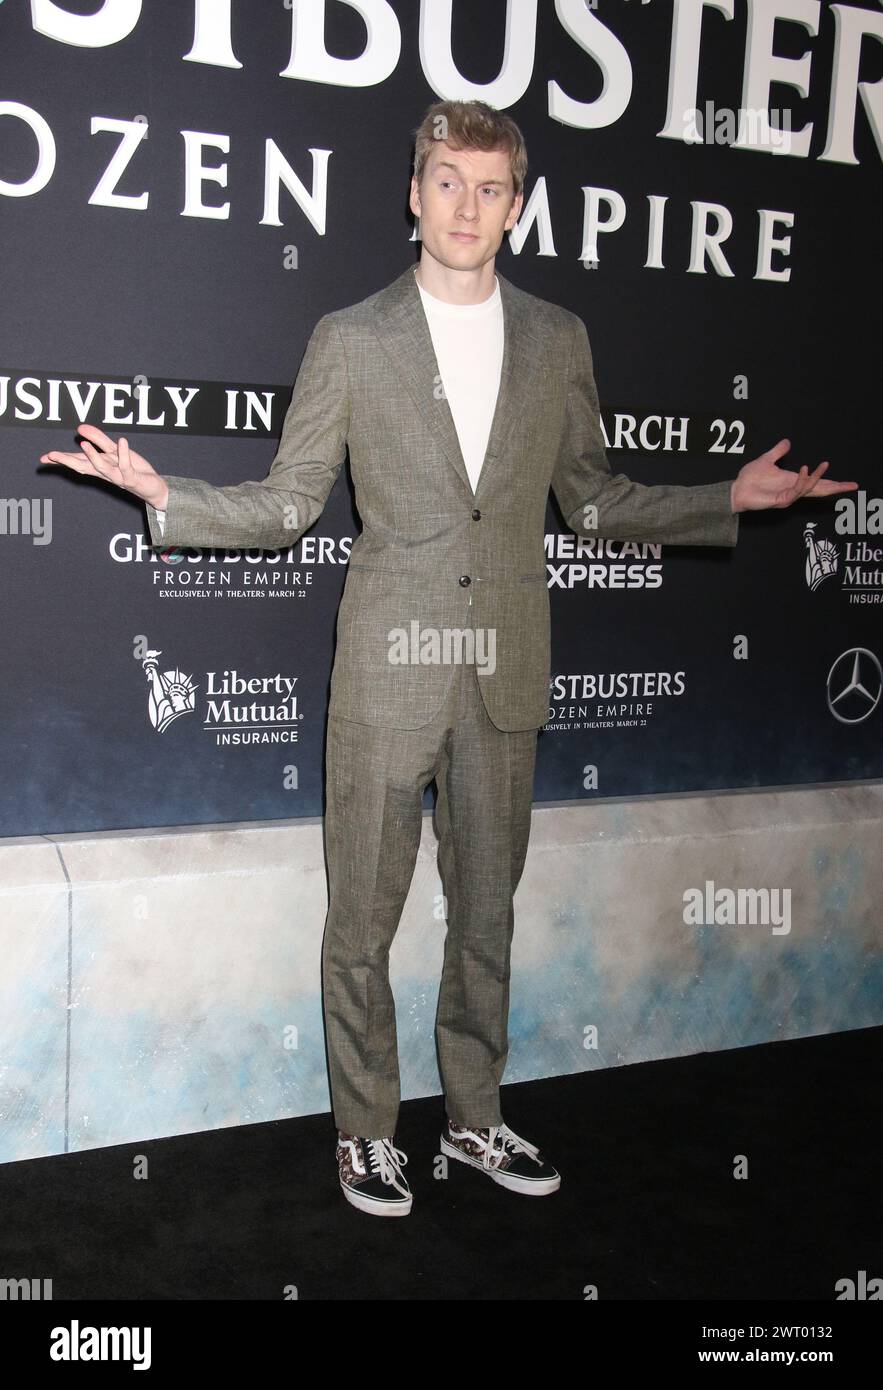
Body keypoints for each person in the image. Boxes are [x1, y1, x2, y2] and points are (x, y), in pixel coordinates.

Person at [40, 99, 858, 1218]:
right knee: (363, 916)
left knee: (487, 914)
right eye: (446, 183)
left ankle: (475, 1120)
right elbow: (287, 506)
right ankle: (367, 1131)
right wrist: (164, 494)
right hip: (387, 666)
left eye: (489, 189)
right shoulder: (352, 337)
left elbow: (595, 500)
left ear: (515, 208)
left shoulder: (559, 339)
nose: (466, 206)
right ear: (413, 195)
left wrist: (729, 496)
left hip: (507, 663)